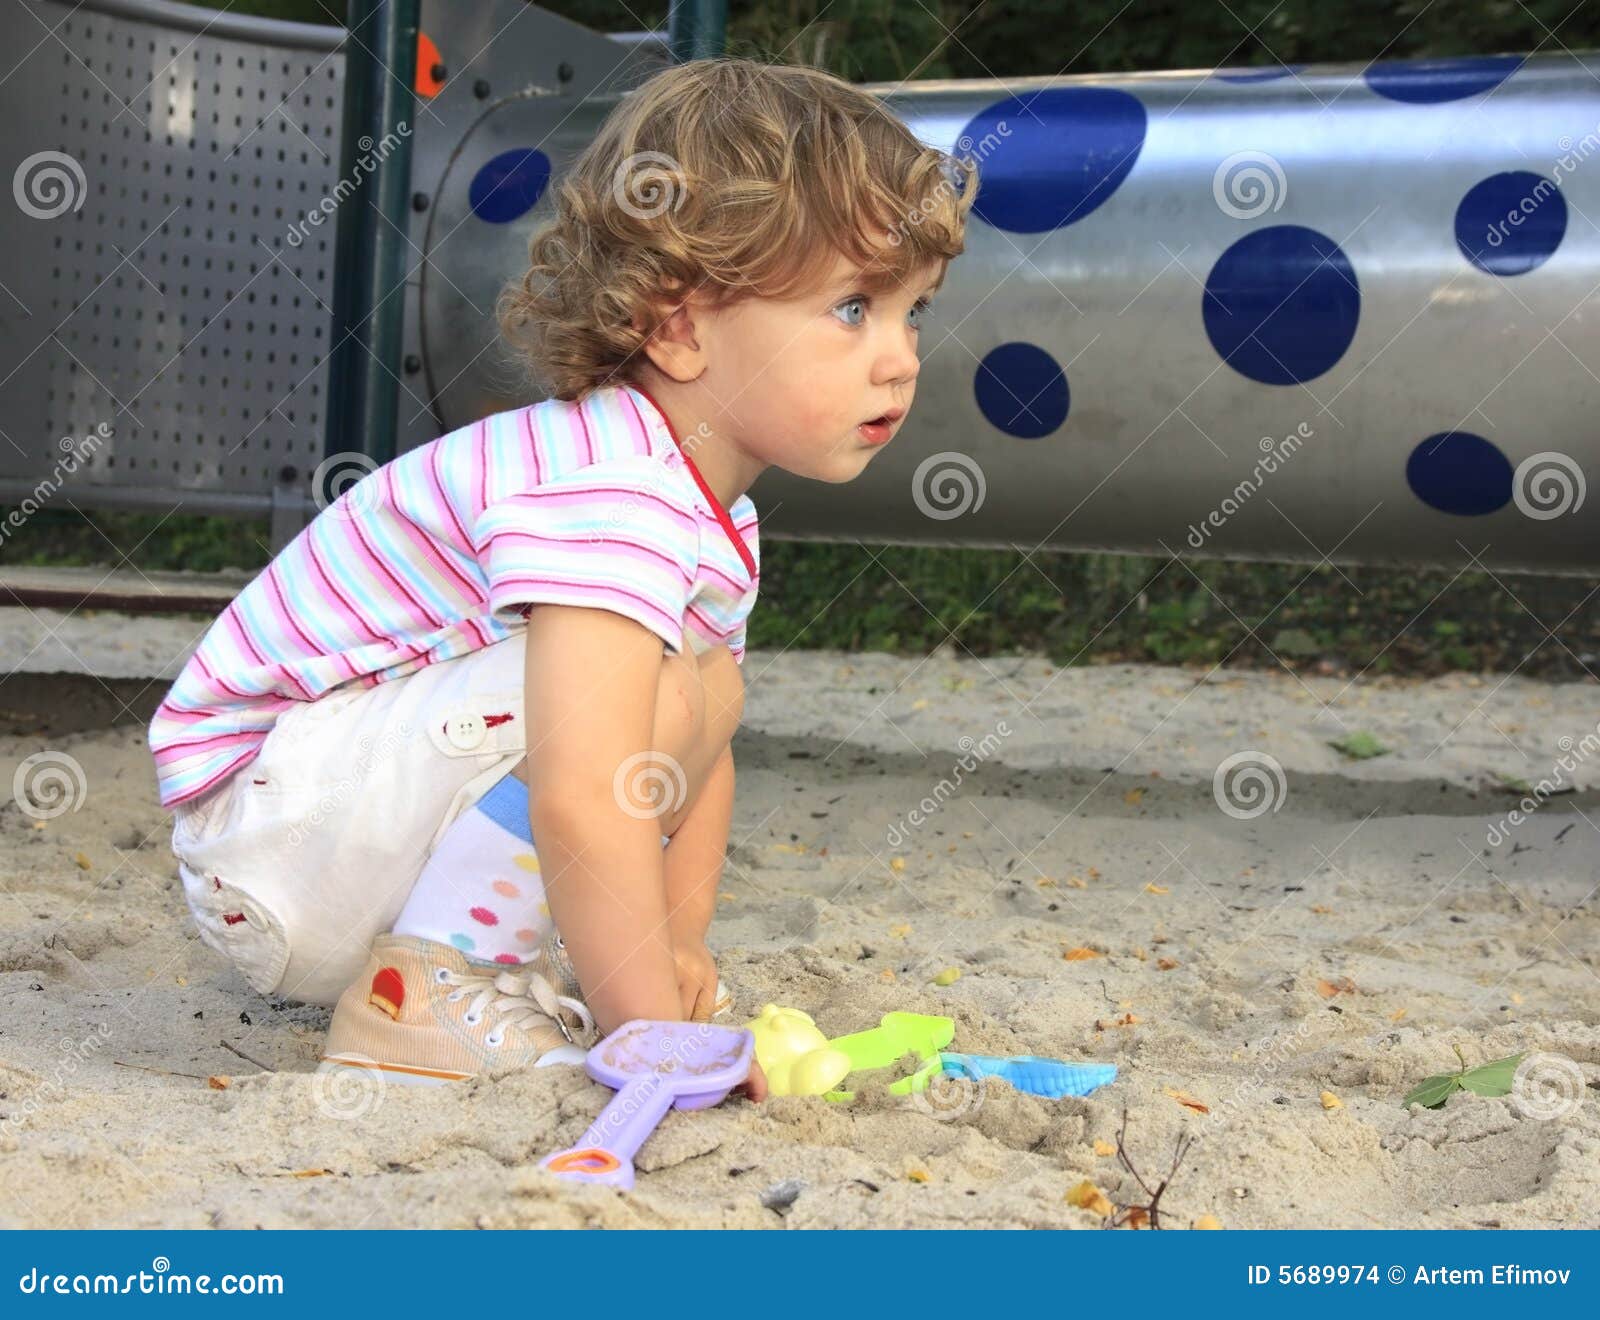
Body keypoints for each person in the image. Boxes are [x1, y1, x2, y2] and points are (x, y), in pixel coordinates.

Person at [148, 55, 975, 1093]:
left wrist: (668, 958)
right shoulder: (607, 486)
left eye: (914, 313)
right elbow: (589, 787)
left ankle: (464, 962)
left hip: (345, 830)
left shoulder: (704, 507)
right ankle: (427, 989)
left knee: (701, 686)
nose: (899, 357)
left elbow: (697, 749)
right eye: (854, 308)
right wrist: (646, 1036)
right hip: (269, 836)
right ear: (678, 326)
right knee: (645, 692)